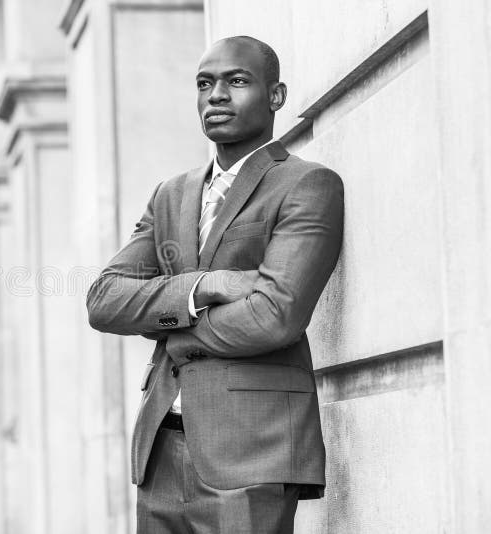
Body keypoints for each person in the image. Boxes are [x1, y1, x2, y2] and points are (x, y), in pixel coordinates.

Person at [87, 35, 344, 533]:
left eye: (237, 81)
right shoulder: (170, 195)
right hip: (160, 451)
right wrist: (202, 286)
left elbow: (275, 317)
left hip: (251, 452)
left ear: (277, 95)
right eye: (205, 84)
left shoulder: (306, 185)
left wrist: (168, 326)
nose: (217, 95)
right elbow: (104, 299)